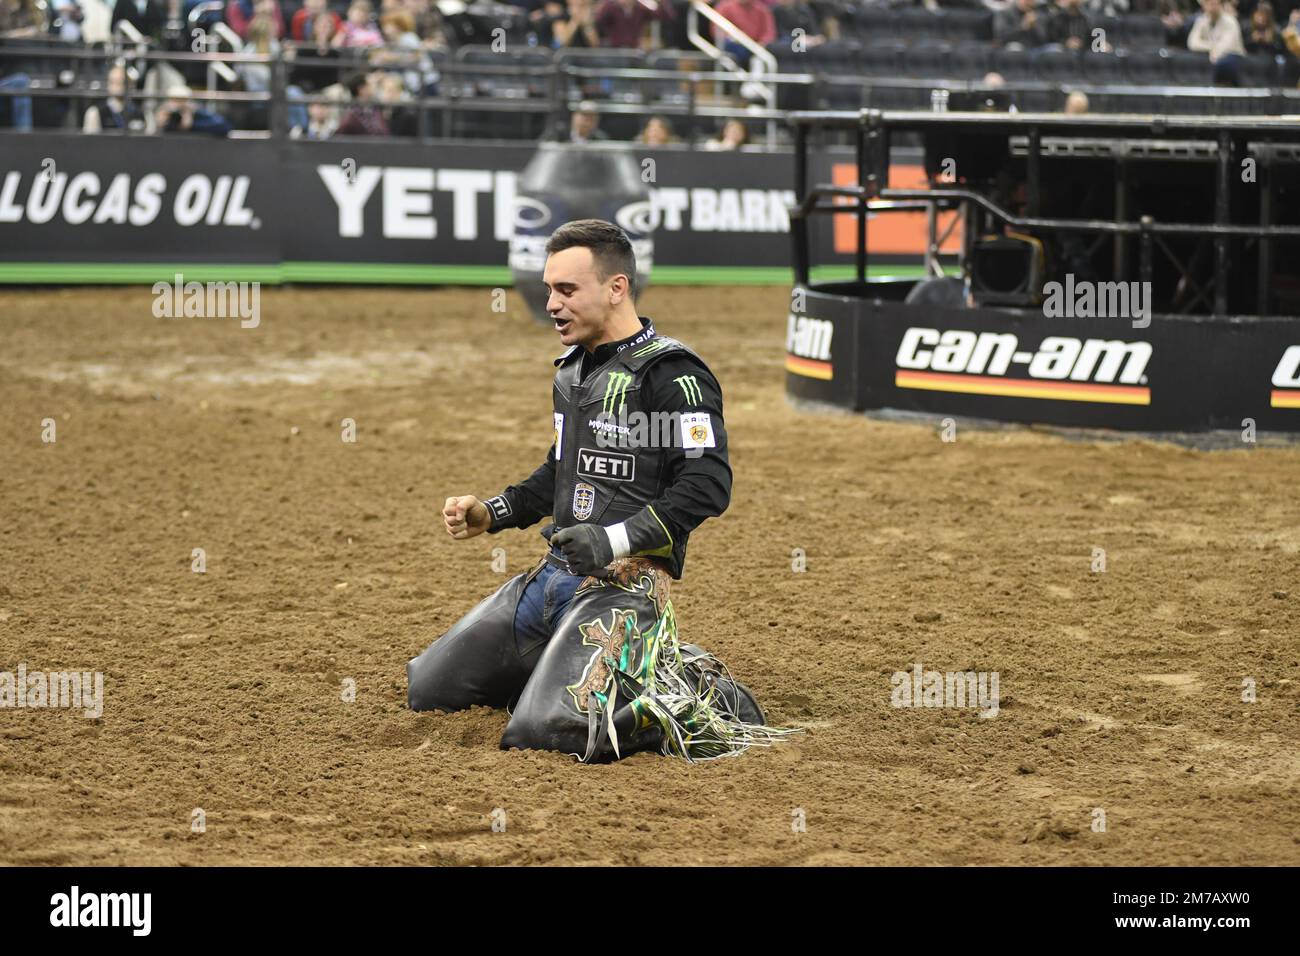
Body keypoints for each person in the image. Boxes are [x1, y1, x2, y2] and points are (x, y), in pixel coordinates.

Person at [407, 219, 782, 763]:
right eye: (548, 289)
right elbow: (561, 469)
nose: (551, 304)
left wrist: (612, 541)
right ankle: (568, 673)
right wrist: (494, 510)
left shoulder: (674, 375)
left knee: (545, 732)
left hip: (622, 592)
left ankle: (692, 687)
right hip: (551, 579)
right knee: (431, 689)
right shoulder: (572, 371)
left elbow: (708, 484)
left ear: (616, 288)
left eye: (567, 289)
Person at [1187, 0, 1246, 84]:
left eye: (1215, 3)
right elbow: (1192, 43)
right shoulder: (1202, 20)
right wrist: (1211, 47)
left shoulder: (1230, 21)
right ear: (1204, 5)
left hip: (1233, 56)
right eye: (1210, 3)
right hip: (1211, 54)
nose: (1212, 6)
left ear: (1220, 5)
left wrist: (1213, 50)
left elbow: (1226, 46)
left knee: (1220, 63)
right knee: (1192, 61)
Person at [712, 0, 776, 67]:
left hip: (756, 45)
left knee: (770, 50)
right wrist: (733, 38)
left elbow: (769, 32)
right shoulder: (725, 7)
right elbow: (716, 29)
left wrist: (762, 43)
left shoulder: (762, 9)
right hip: (734, 44)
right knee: (736, 49)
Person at [84, 63, 146, 131]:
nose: (117, 86)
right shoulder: (95, 113)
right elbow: (90, 140)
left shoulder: (139, 112)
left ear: (129, 85)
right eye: (113, 82)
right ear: (108, 84)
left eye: (121, 82)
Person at [154, 83, 232, 134]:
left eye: (182, 100)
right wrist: (161, 122)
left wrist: (192, 120)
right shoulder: (167, 114)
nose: (178, 104)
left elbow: (224, 126)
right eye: (175, 100)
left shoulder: (196, 113)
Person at [594, 0, 675, 49]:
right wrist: (610, 3)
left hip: (634, 51)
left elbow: (665, 16)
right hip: (615, 51)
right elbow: (598, 20)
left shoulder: (641, 8)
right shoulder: (611, 7)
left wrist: (661, 2)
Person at [334, 70, 389, 134]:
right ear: (362, 89)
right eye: (371, 84)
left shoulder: (375, 109)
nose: (374, 87)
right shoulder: (351, 117)